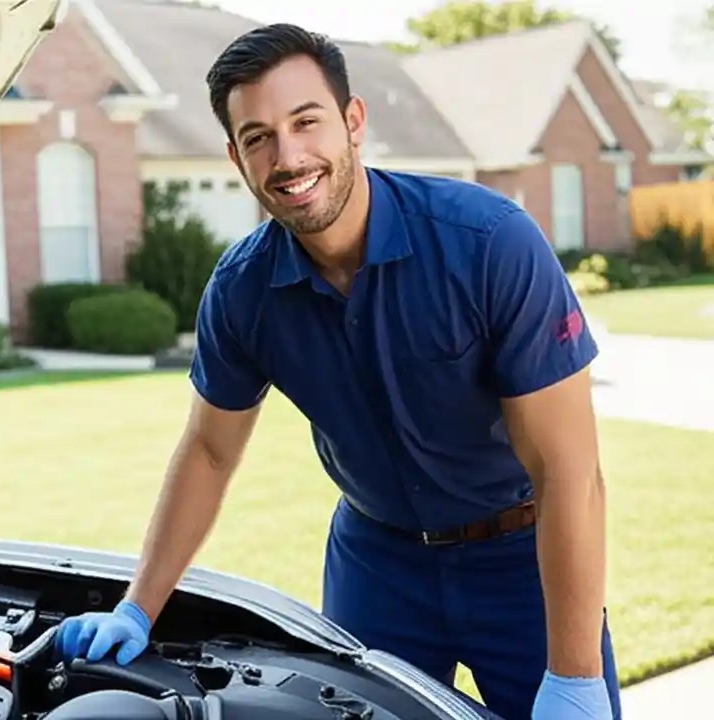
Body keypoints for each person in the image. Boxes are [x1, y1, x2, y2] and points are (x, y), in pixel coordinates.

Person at [54, 22, 619, 720]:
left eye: (306, 122)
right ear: (236, 156)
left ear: (353, 121)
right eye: (259, 137)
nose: (288, 157)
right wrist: (138, 607)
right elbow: (208, 451)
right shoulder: (242, 291)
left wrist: (575, 677)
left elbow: (568, 472)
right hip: (378, 565)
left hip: (520, 561)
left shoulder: (489, 245)